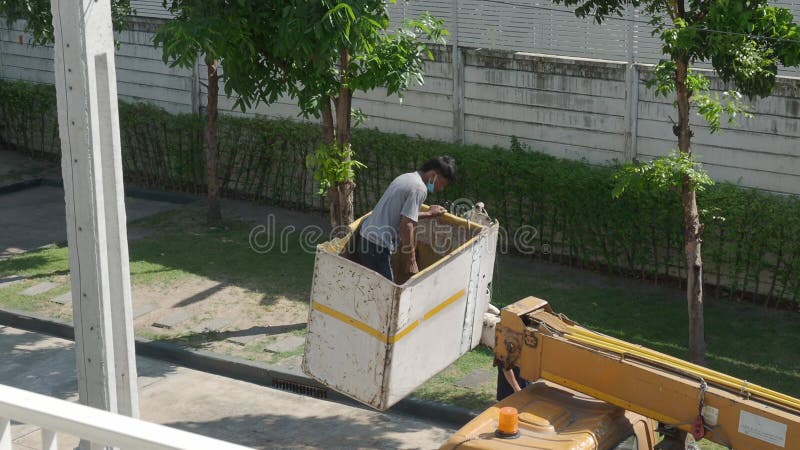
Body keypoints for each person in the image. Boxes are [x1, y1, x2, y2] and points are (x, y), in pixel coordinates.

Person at [357, 156, 456, 283]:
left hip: (365, 238)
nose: (441, 189)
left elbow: (402, 215)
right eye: (442, 184)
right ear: (433, 175)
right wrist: (411, 260)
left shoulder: (408, 177)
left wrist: (430, 213)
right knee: (388, 296)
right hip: (377, 246)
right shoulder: (419, 189)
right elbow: (406, 225)